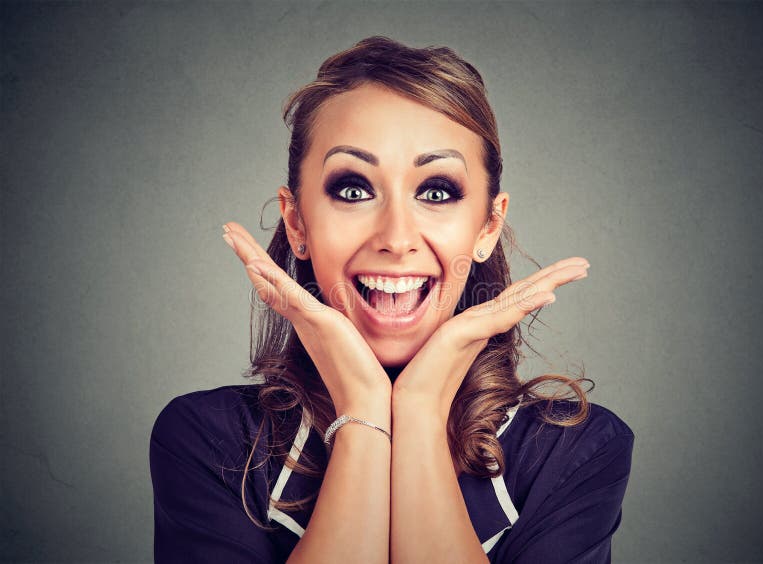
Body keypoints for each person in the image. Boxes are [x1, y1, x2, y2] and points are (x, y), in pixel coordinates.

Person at [149, 36, 634, 563]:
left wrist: (422, 412)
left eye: (436, 191)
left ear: (488, 226)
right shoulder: (208, 441)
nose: (396, 238)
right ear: (296, 222)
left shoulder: (574, 452)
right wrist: (363, 411)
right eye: (354, 190)